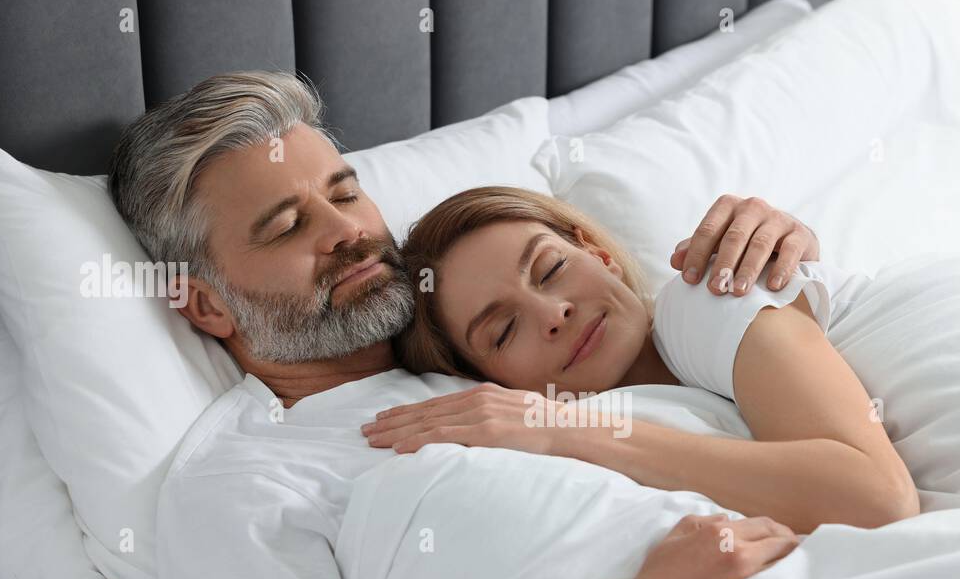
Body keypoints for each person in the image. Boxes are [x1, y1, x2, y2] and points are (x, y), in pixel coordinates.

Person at [108, 70, 821, 579]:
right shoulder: (243, 476)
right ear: (208, 302)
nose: (345, 231)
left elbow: (689, 346)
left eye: (345, 194)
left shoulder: (495, 338)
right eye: (286, 226)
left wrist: (772, 261)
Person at [371, 186, 918, 534]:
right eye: (505, 330)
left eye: (550, 269)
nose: (554, 311)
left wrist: (564, 427)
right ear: (490, 381)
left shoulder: (702, 299)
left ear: (598, 254)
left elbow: (877, 498)